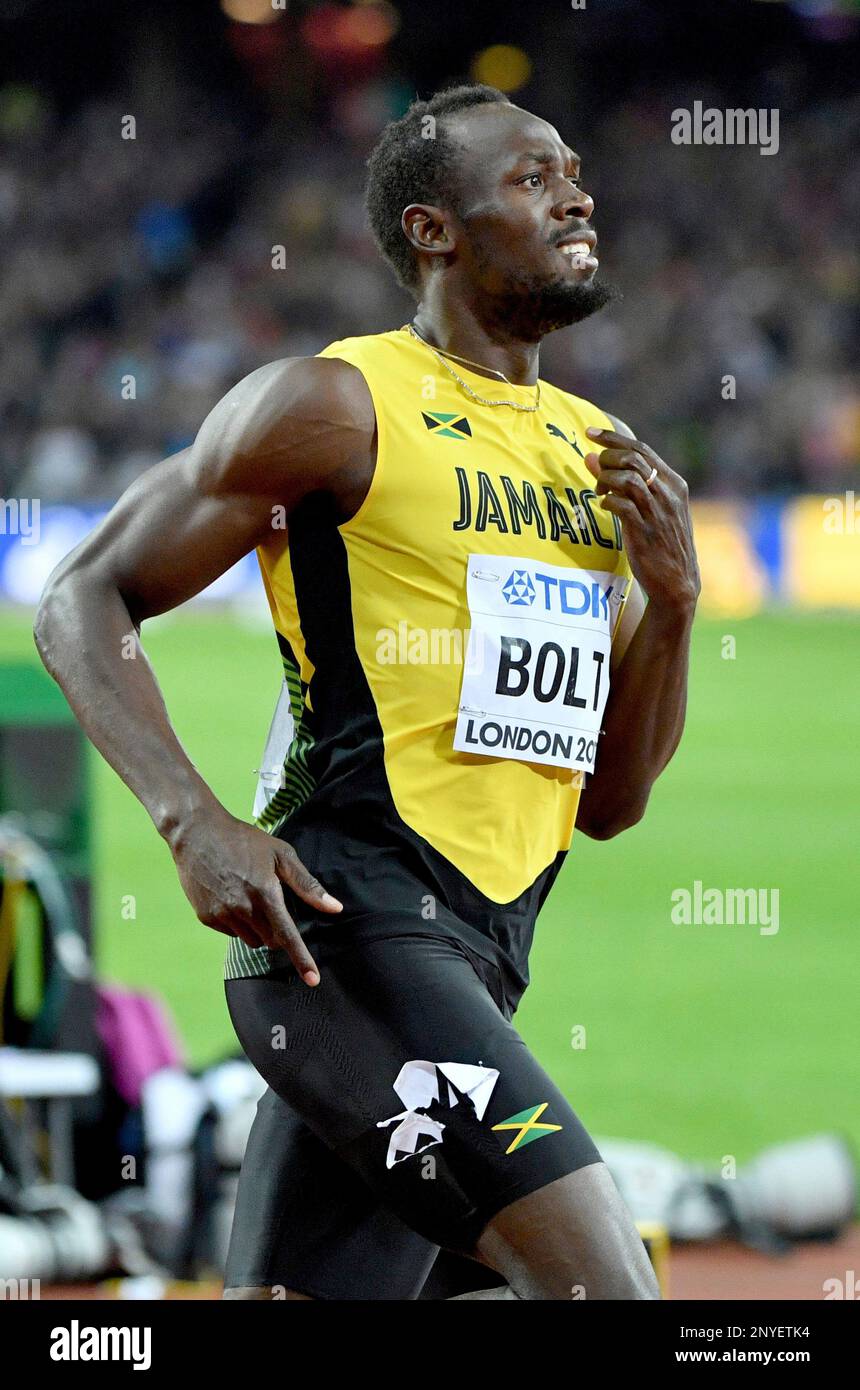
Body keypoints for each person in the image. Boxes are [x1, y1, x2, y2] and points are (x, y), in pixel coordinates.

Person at [35, 83, 700, 1300]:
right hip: (345, 933)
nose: (575, 191)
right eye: (531, 176)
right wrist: (193, 820)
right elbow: (81, 596)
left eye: (572, 169)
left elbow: (609, 802)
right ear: (432, 230)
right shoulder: (333, 407)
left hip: (483, 956)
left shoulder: (598, 460)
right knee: (610, 1294)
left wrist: (673, 606)